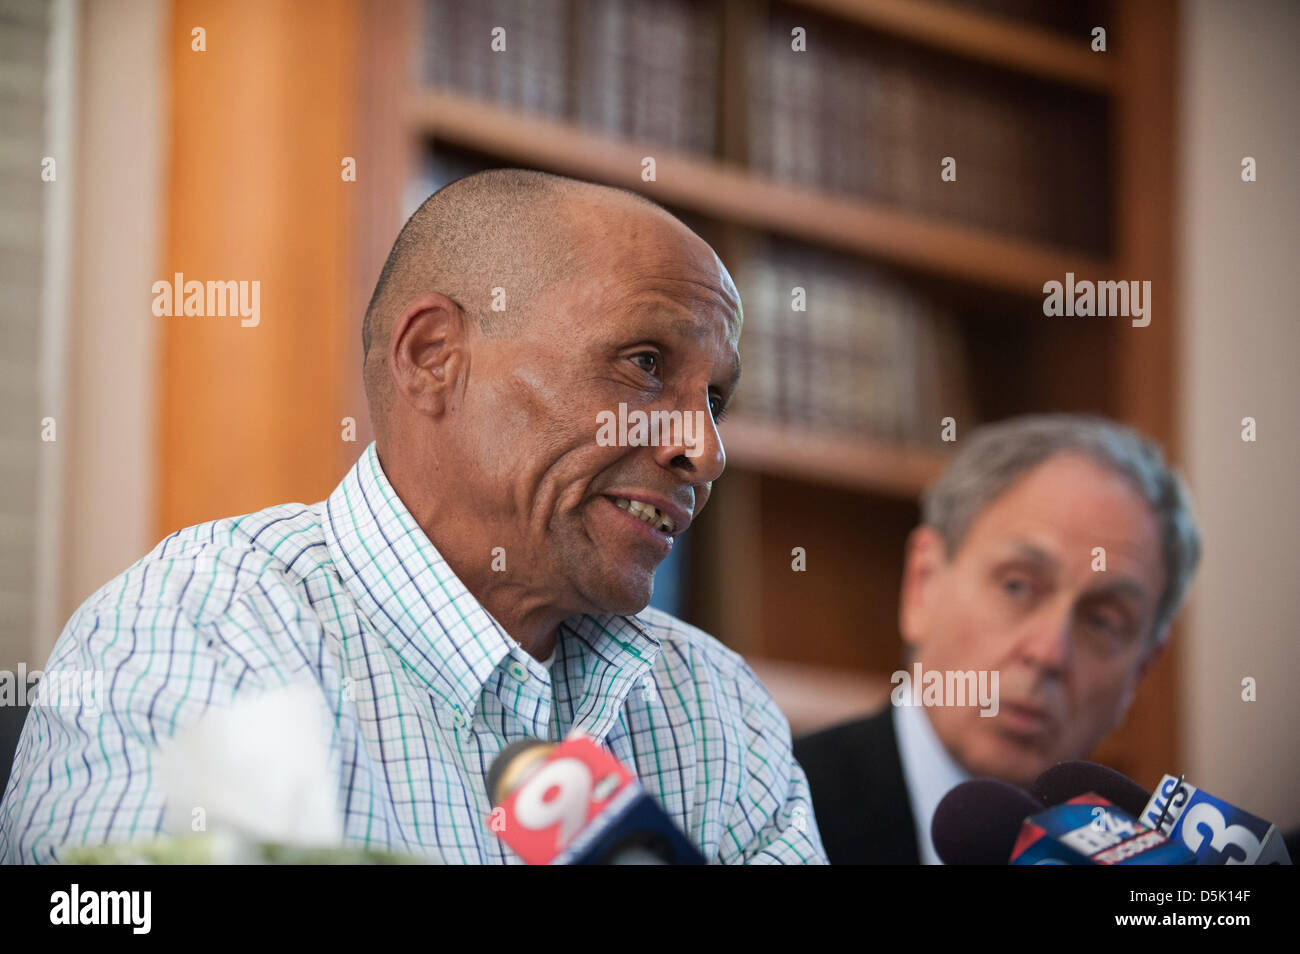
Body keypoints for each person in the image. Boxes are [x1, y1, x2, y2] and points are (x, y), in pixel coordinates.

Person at [0, 169, 827, 865]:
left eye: (715, 400)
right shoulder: (207, 632)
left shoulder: (715, 708)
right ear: (433, 358)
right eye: (644, 364)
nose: (704, 451)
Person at [794, 415, 1201, 864]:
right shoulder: (777, 815)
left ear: (1141, 671)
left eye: (1103, 621)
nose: (1048, 653)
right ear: (923, 584)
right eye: (1017, 586)